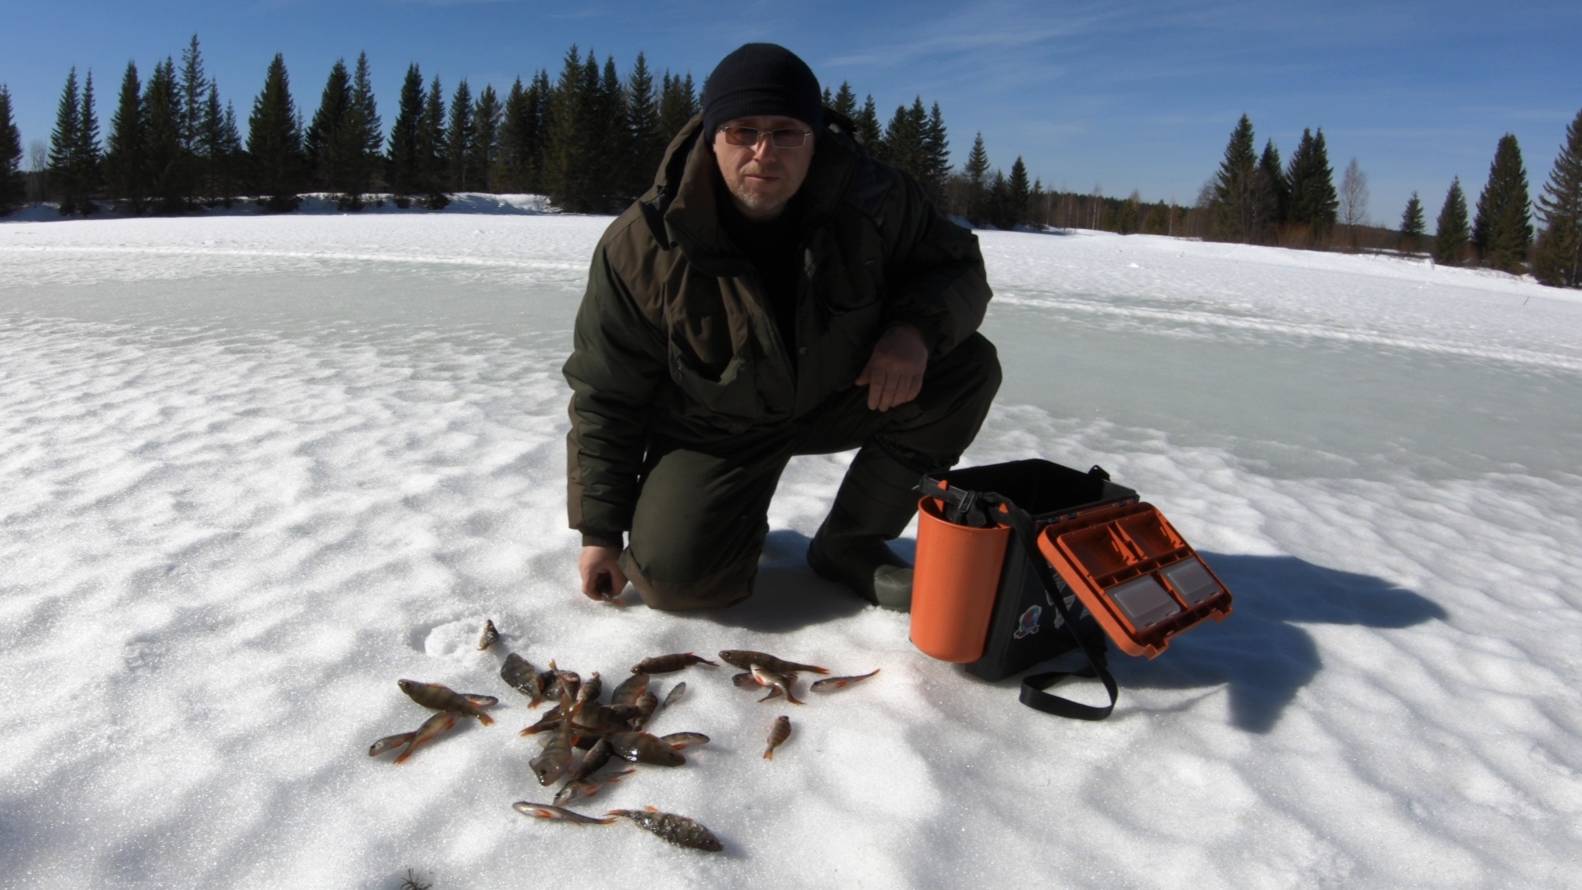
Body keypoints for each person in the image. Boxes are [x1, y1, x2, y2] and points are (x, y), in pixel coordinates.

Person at [562, 43, 999, 612]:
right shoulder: (644, 244)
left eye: (787, 131)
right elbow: (606, 393)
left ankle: (853, 542)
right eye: (743, 130)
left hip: (841, 392)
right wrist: (600, 533)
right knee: (678, 582)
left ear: (815, 137)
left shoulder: (876, 198)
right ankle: (719, 524)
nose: (763, 152)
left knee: (963, 369)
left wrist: (912, 330)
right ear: (711, 135)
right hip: (715, 428)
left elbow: (955, 266)